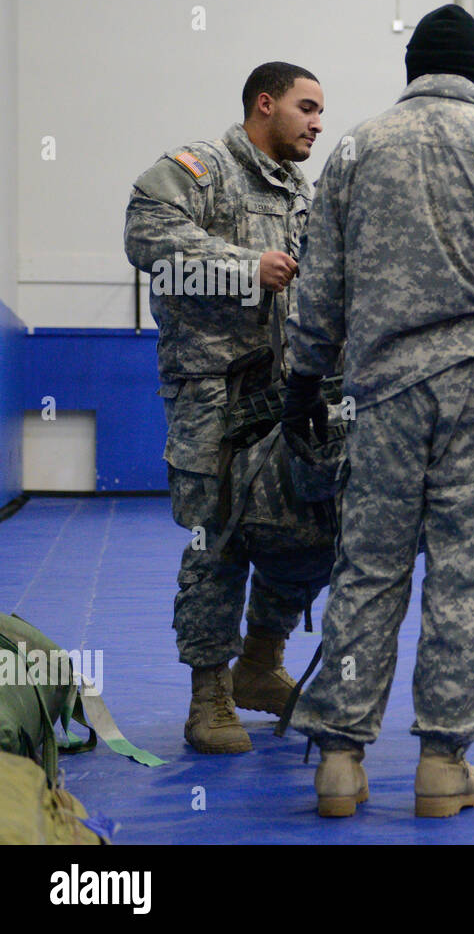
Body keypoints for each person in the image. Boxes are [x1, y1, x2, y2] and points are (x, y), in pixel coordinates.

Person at [281, 4, 474, 817]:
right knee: (466, 575)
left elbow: (319, 284)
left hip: (380, 391)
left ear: (412, 70)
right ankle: (441, 765)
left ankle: (341, 765)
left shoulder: (356, 147)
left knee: (368, 568)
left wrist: (302, 380)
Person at [124, 62, 324, 754]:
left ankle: (261, 666)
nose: (318, 122)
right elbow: (146, 237)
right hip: (212, 388)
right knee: (218, 535)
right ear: (264, 105)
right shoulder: (200, 168)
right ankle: (208, 694)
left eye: (321, 111)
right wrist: (244, 266)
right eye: (307, 107)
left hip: (289, 392)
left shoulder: (304, 193)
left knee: (310, 522)